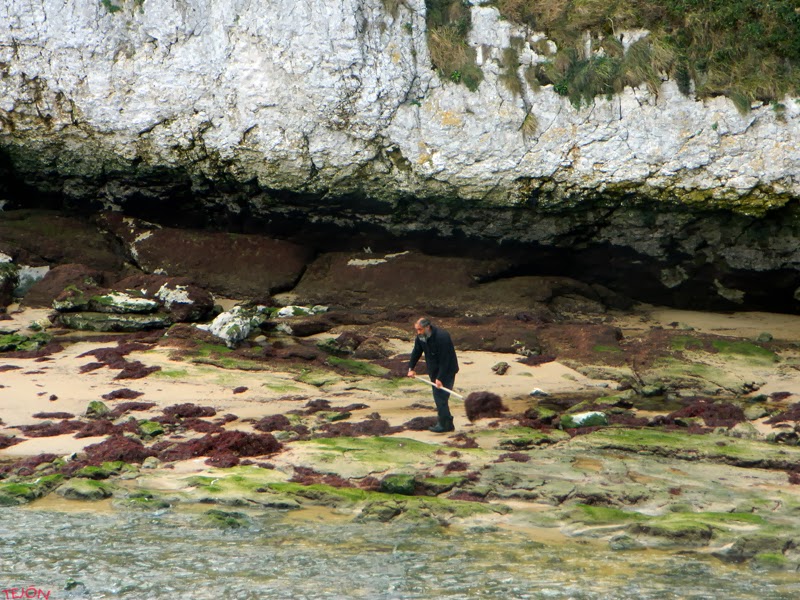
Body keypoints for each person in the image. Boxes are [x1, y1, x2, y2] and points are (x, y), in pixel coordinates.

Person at [407, 317, 459, 433]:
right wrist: (411, 368)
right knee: (440, 398)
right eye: (417, 330)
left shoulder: (442, 337)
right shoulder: (421, 337)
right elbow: (416, 352)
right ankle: (447, 423)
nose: (418, 332)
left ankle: (444, 424)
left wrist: (440, 378)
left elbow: (445, 360)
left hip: (448, 370)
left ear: (427, 327)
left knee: (440, 398)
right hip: (433, 370)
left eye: (420, 330)